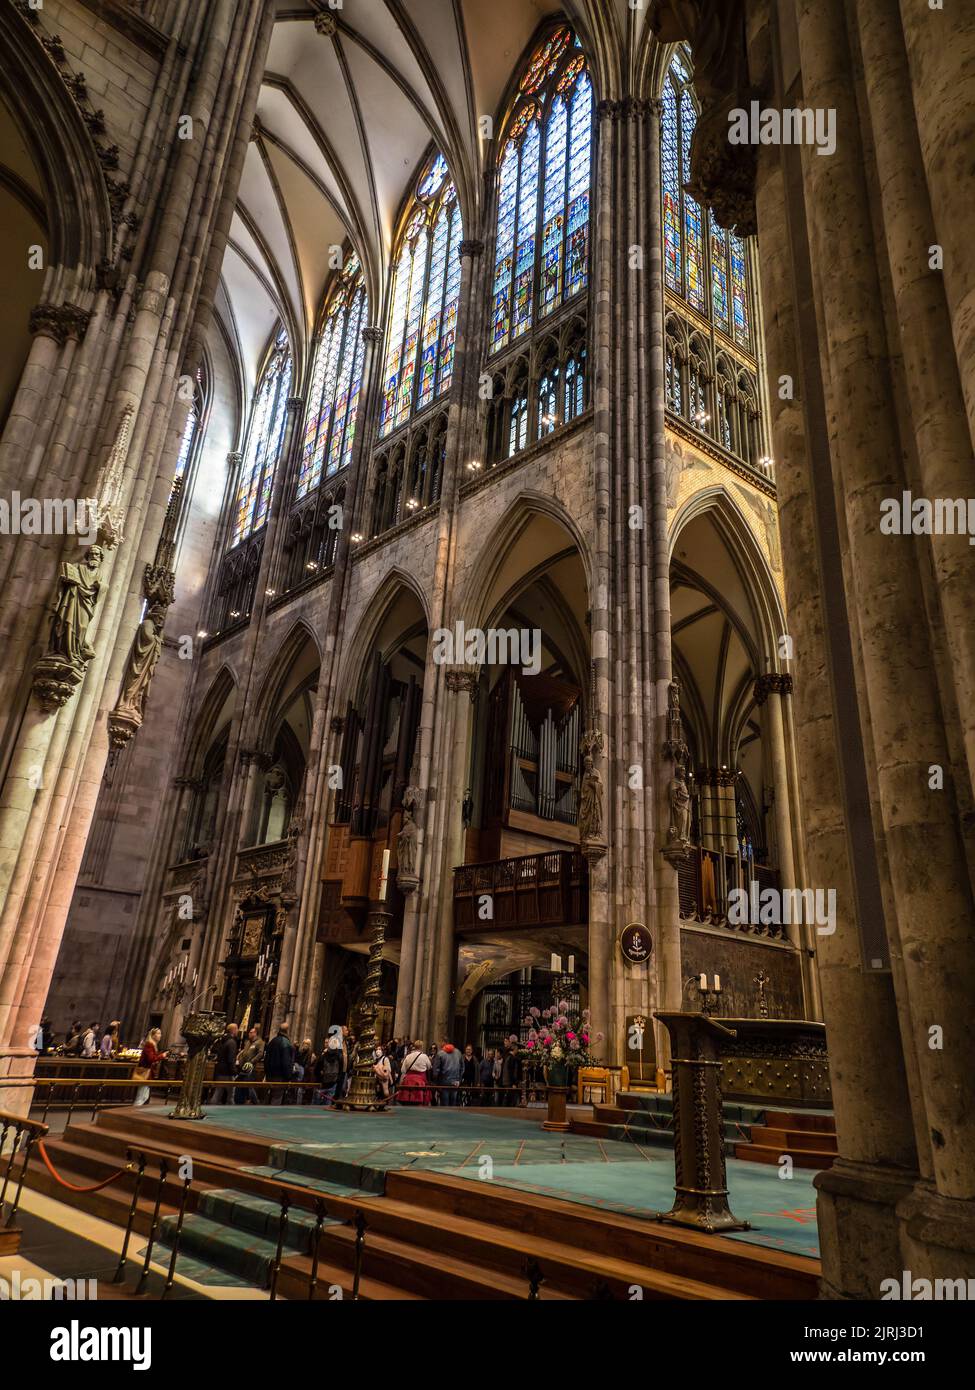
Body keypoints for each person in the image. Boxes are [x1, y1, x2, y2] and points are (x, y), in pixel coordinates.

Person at [133, 1028, 167, 1106]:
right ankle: (133, 1111)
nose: (160, 1035)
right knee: (141, 1096)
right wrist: (162, 1056)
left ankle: (134, 1110)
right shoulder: (149, 1045)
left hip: (148, 1073)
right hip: (145, 1073)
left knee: (144, 1096)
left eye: (160, 1033)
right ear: (153, 1035)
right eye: (158, 1033)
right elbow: (151, 1059)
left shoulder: (153, 1045)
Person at [263, 1024, 296, 1102]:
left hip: (270, 1075)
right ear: (287, 1031)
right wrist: (288, 1077)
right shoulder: (286, 1043)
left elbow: (266, 1059)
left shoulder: (272, 1041)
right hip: (280, 1077)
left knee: (269, 1097)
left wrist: (267, 1073)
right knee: (276, 1099)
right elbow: (286, 1062)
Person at [210, 1022, 239, 1105]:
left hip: (220, 1071)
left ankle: (211, 1107)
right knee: (231, 1095)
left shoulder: (223, 1040)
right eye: (237, 1029)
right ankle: (231, 1110)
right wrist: (234, 1072)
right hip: (228, 1072)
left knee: (218, 1092)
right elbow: (231, 1059)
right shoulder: (232, 1042)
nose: (238, 1031)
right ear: (233, 1030)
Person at [396, 1040, 432, 1105]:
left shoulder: (408, 1056)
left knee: (406, 1103)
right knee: (419, 1103)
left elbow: (403, 1070)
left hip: (408, 1081)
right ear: (422, 1047)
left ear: (414, 1046)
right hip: (420, 1082)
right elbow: (429, 1067)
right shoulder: (424, 1056)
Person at [235, 1025, 265, 1104]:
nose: (249, 1034)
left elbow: (260, 1054)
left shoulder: (260, 1042)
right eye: (249, 1032)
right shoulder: (248, 1042)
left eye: (251, 1032)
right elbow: (244, 1052)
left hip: (250, 1067)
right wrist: (238, 1058)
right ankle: (240, 1101)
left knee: (248, 1085)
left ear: (255, 1033)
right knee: (241, 1085)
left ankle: (255, 1102)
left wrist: (252, 1062)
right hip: (242, 1067)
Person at [431, 1038, 463, 1106]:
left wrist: (436, 1083)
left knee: (444, 1105)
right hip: (455, 1082)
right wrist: (459, 1079)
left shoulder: (440, 1053)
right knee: (453, 1104)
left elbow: (436, 1070)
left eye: (440, 1042)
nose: (440, 1044)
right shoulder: (458, 1052)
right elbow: (462, 1067)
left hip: (444, 1083)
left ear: (444, 1042)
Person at [315, 1035, 343, 1105]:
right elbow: (317, 1070)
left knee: (321, 1106)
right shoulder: (323, 1056)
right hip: (325, 1084)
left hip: (330, 1084)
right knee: (318, 1105)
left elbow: (340, 1071)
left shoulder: (339, 1057)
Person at [500, 1042, 522, 1107]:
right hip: (510, 1082)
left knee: (507, 1098)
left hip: (506, 1081)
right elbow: (512, 1071)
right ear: (514, 1049)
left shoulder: (506, 1056)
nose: (517, 1051)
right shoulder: (512, 1058)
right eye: (517, 1049)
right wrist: (514, 1083)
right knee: (510, 1100)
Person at [295, 1038, 316, 1103]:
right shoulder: (301, 1052)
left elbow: (308, 1066)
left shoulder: (311, 1054)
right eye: (304, 1043)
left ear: (309, 1045)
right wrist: (296, 1048)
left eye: (307, 1044)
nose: (305, 1045)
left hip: (305, 1076)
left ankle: (298, 1105)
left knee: (300, 1092)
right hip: (298, 1074)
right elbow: (296, 1059)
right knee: (297, 1091)